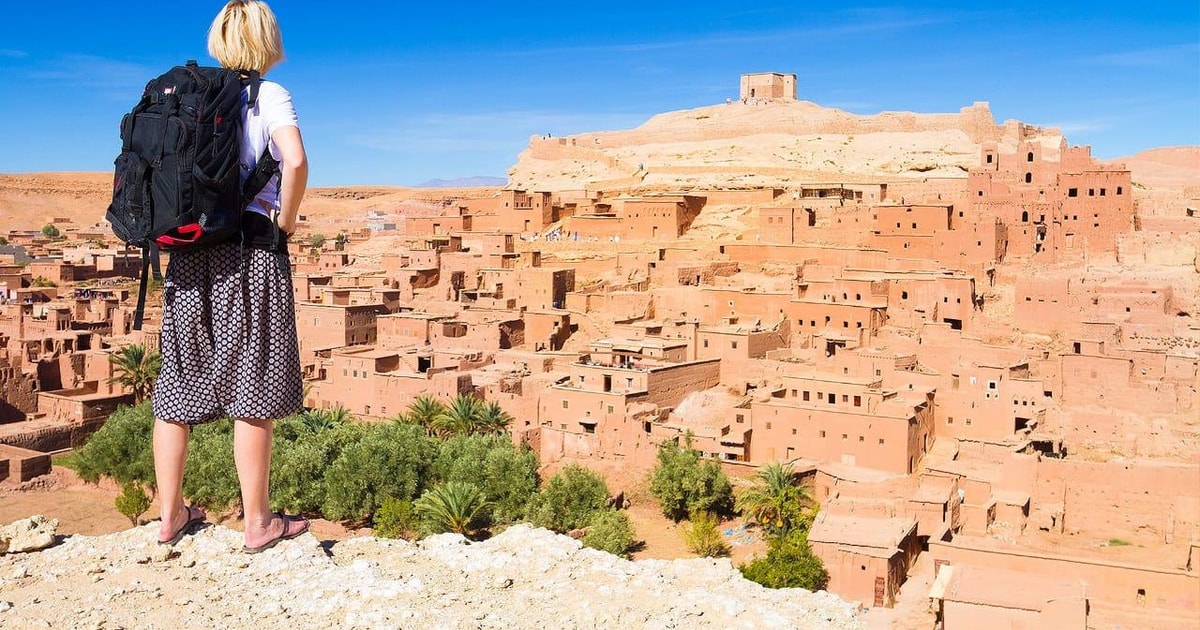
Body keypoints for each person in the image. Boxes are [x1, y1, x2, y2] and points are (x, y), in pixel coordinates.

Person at [152, 0, 310, 553]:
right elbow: (293, 161)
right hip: (251, 249)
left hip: (191, 252)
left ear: (218, 39)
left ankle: (169, 517)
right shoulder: (268, 95)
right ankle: (258, 522)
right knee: (254, 383)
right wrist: (283, 223)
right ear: (269, 41)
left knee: (178, 385)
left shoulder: (185, 95)